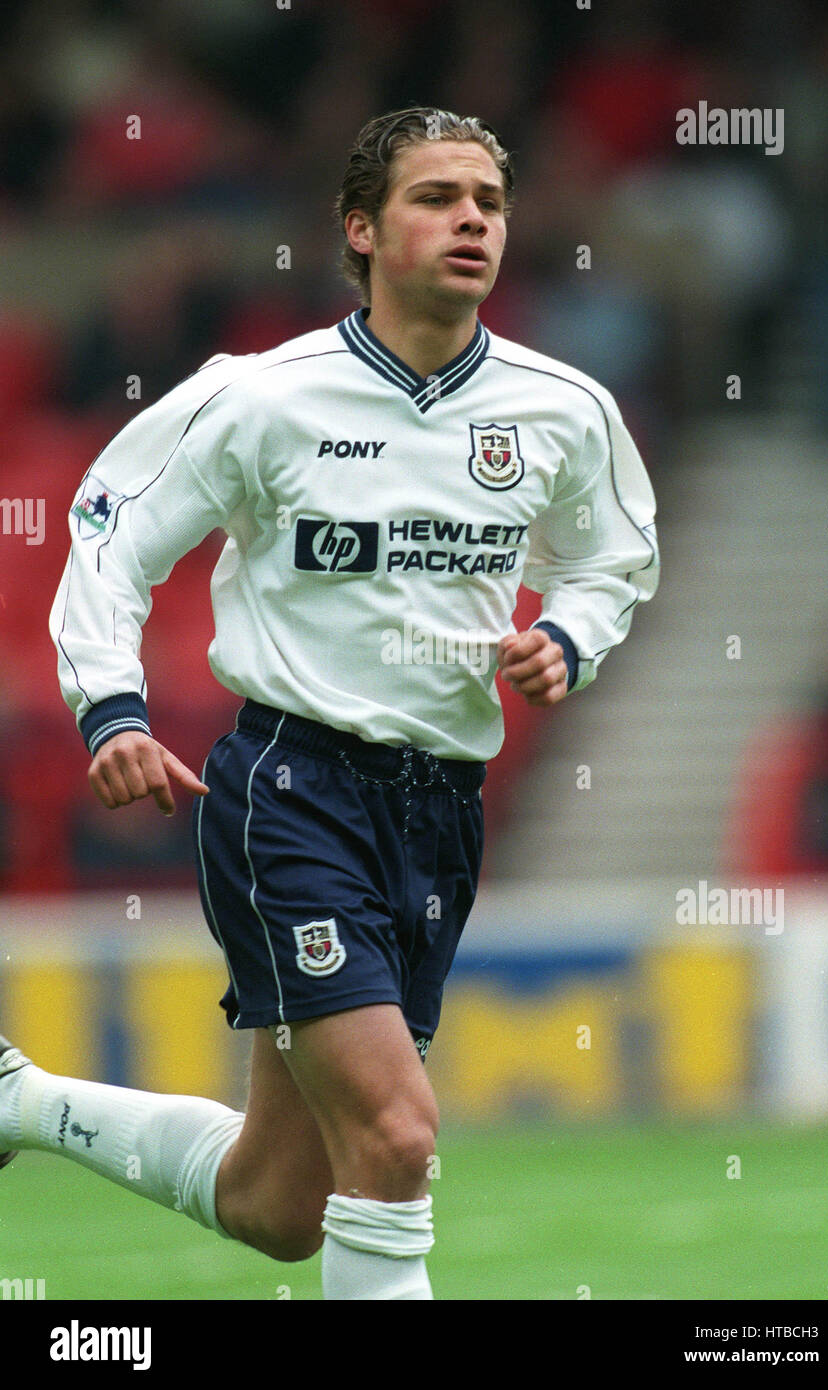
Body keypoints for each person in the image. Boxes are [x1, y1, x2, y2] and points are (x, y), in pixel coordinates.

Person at [0, 107, 659, 1300]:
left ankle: (21, 1102)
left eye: (489, 202)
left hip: (438, 812)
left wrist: (569, 632)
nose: (470, 220)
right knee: (400, 1135)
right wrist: (112, 706)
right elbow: (108, 522)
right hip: (293, 794)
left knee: (280, 1204)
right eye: (435, 197)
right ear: (359, 227)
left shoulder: (561, 408)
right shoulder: (261, 396)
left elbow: (611, 554)